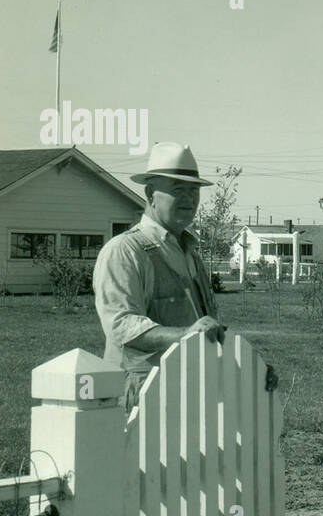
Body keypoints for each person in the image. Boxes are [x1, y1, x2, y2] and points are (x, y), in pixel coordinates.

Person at [94, 141, 277, 412]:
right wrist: (186, 335)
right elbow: (121, 327)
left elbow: (208, 331)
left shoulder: (190, 252)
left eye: (194, 191)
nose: (189, 199)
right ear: (150, 193)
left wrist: (251, 368)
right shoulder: (124, 251)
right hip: (143, 396)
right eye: (178, 190)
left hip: (191, 394)